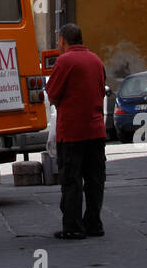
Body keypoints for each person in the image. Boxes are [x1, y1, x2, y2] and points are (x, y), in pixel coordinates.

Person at [45, 23, 108, 239]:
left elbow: (52, 94)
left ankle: (72, 225)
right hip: (96, 129)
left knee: (72, 179)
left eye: (58, 40)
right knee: (95, 180)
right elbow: (101, 89)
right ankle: (94, 223)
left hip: (72, 131)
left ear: (63, 40)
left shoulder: (64, 60)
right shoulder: (96, 60)